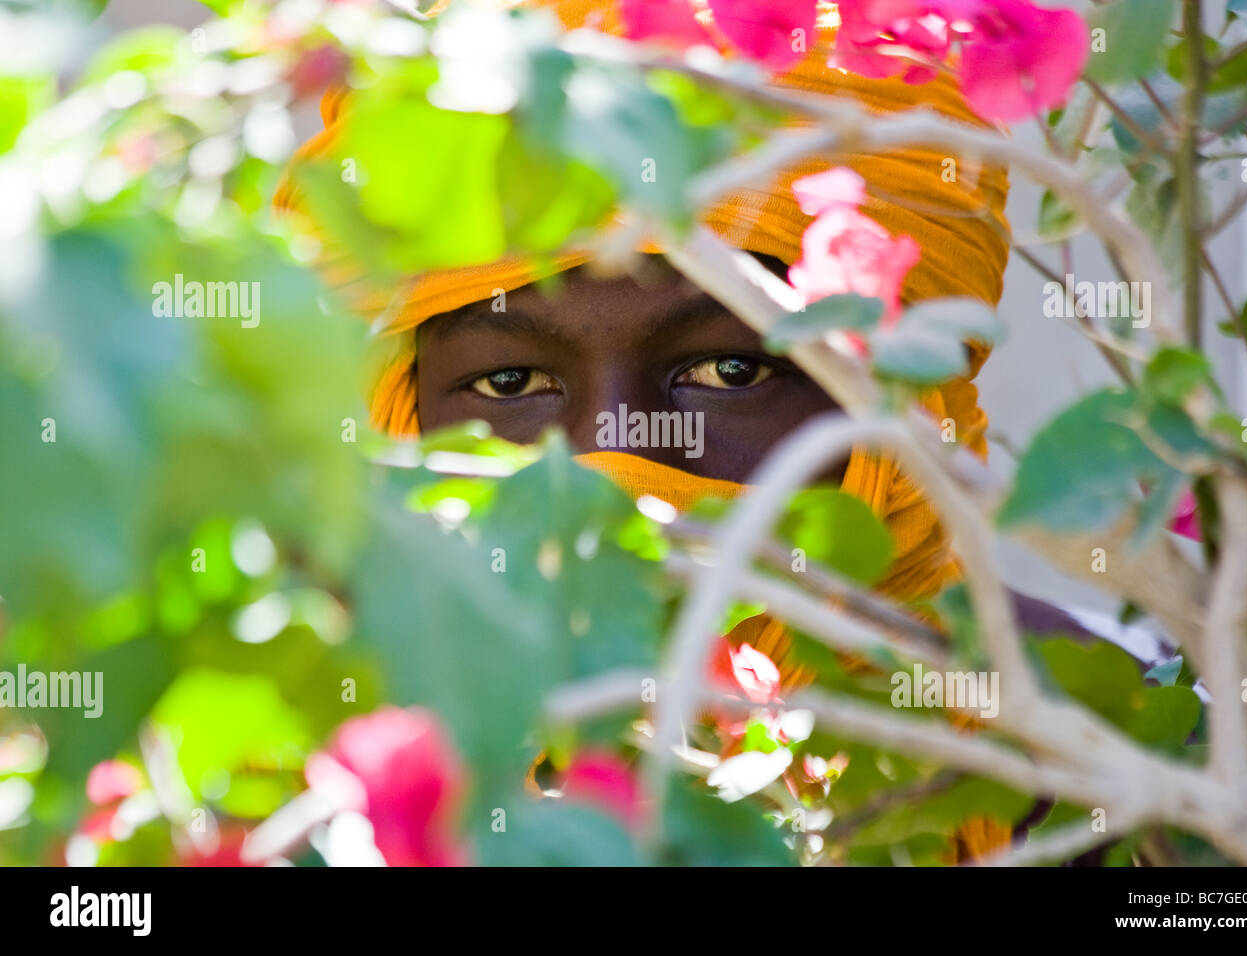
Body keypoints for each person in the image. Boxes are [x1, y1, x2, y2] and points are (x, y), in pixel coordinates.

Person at [276, 0, 1080, 861]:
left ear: (902, 390)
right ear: (404, 405)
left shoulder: (1125, 769)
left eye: (730, 372)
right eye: (511, 382)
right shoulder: (280, 786)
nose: (611, 460)